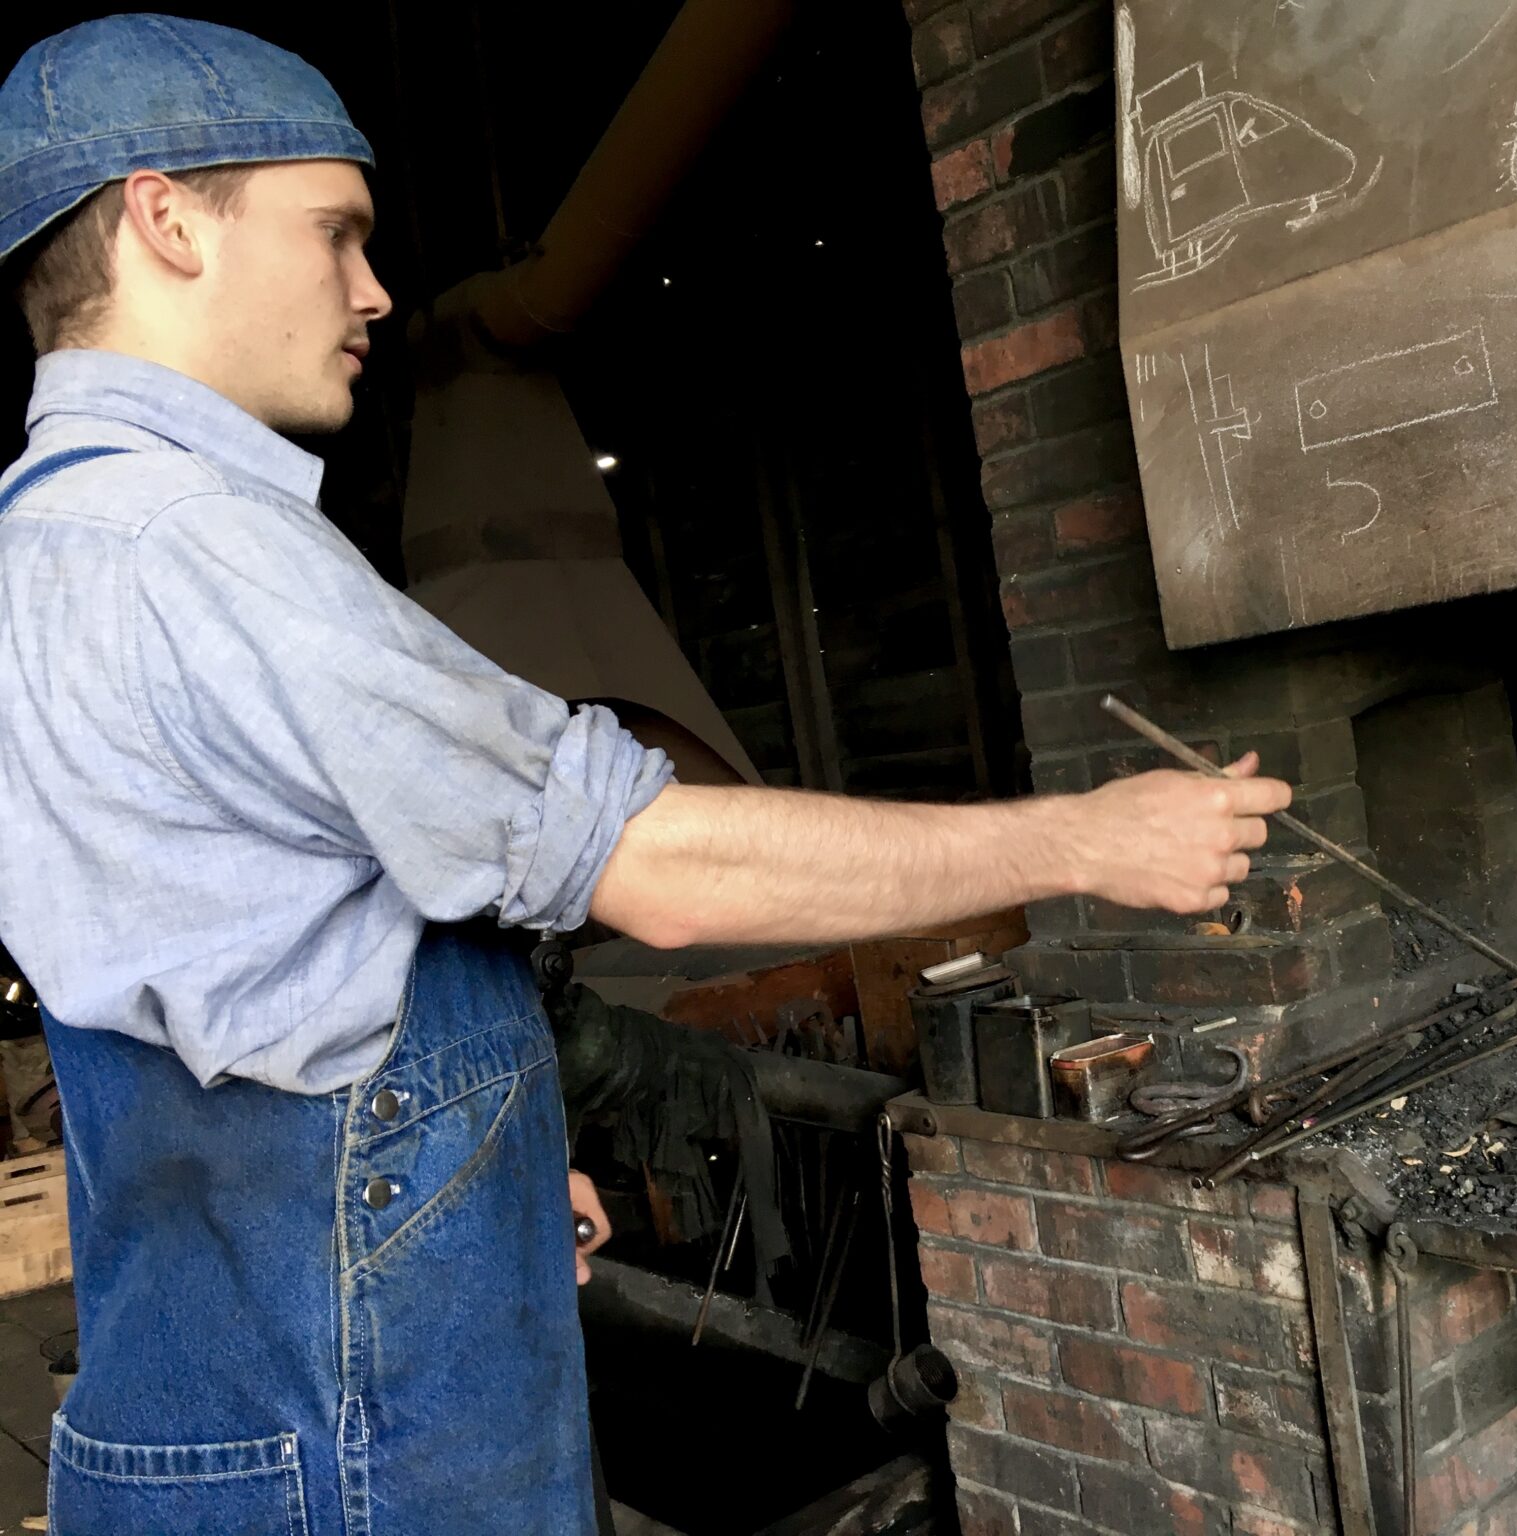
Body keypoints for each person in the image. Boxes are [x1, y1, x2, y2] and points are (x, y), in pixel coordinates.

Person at [0, 16, 1289, 1536]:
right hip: (356, 1443)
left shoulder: (47, 548)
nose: (375, 289)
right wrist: (1086, 837)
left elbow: (223, 994)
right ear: (167, 220)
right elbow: (656, 869)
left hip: (216, 1398)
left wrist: (450, 1204)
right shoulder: (205, 550)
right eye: (335, 232)